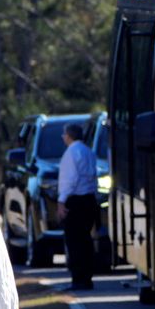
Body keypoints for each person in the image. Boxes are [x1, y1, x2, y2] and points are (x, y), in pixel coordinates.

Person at [56, 123, 99, 291]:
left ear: (69, 136)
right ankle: (87, 277)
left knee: (74, 241)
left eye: (64, 134)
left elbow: (70, 179)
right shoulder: (88, 152)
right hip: (89, 199)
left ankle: (78, 279)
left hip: (76, 201)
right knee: (86, 240)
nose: (62, 137)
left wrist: (61, 201)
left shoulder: (71, 153)